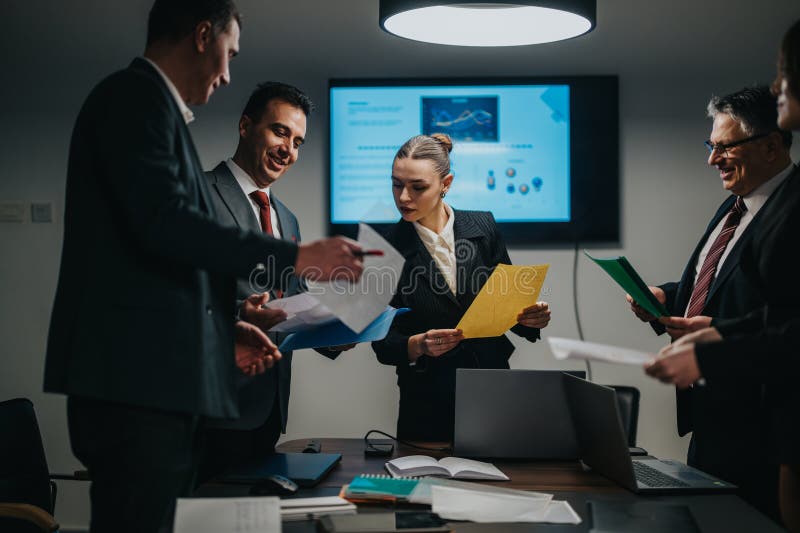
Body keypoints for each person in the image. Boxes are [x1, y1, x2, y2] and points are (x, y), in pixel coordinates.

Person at [43, 2, 363, 531]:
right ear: (201, 36)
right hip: (137, 385)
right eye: (229, 53)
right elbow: (168, 225)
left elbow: (161, 260)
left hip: (160, 383)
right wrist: (299, 256)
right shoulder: (134, 97)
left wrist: (231, 324)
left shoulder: (153, 110)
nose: (227, 72)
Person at [646, 19, 800, 532]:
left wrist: (712, 343)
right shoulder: (733, 206)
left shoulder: (792, 209)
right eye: (710, 146)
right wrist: (666, 295)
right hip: (710, 417)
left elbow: (785, 322)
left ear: (772, 147)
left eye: (725, 148)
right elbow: (714, 285)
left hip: (761, 427)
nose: (713, 159)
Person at [198, 82, 354, 481]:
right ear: (246, 126)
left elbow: (294, 302)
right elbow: (177, 293)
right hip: (212, 404)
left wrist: (339, 329)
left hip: (268, 409)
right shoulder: (197, 194)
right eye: (280, 132)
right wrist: (240, 317)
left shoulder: (287, 218)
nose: (289, 149)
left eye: (298, 141)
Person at [371, 133, 551, 442]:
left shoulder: (483, 227)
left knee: (500, 485)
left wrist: (529, 318)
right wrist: (419, 344)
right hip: (425, 398)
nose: (403, 197)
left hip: (491, 386)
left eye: (418, 187)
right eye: (396, 184)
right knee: (424, 488)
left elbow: (505, 303)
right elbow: (383, 342)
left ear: (446, 183)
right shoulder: (384, 247)